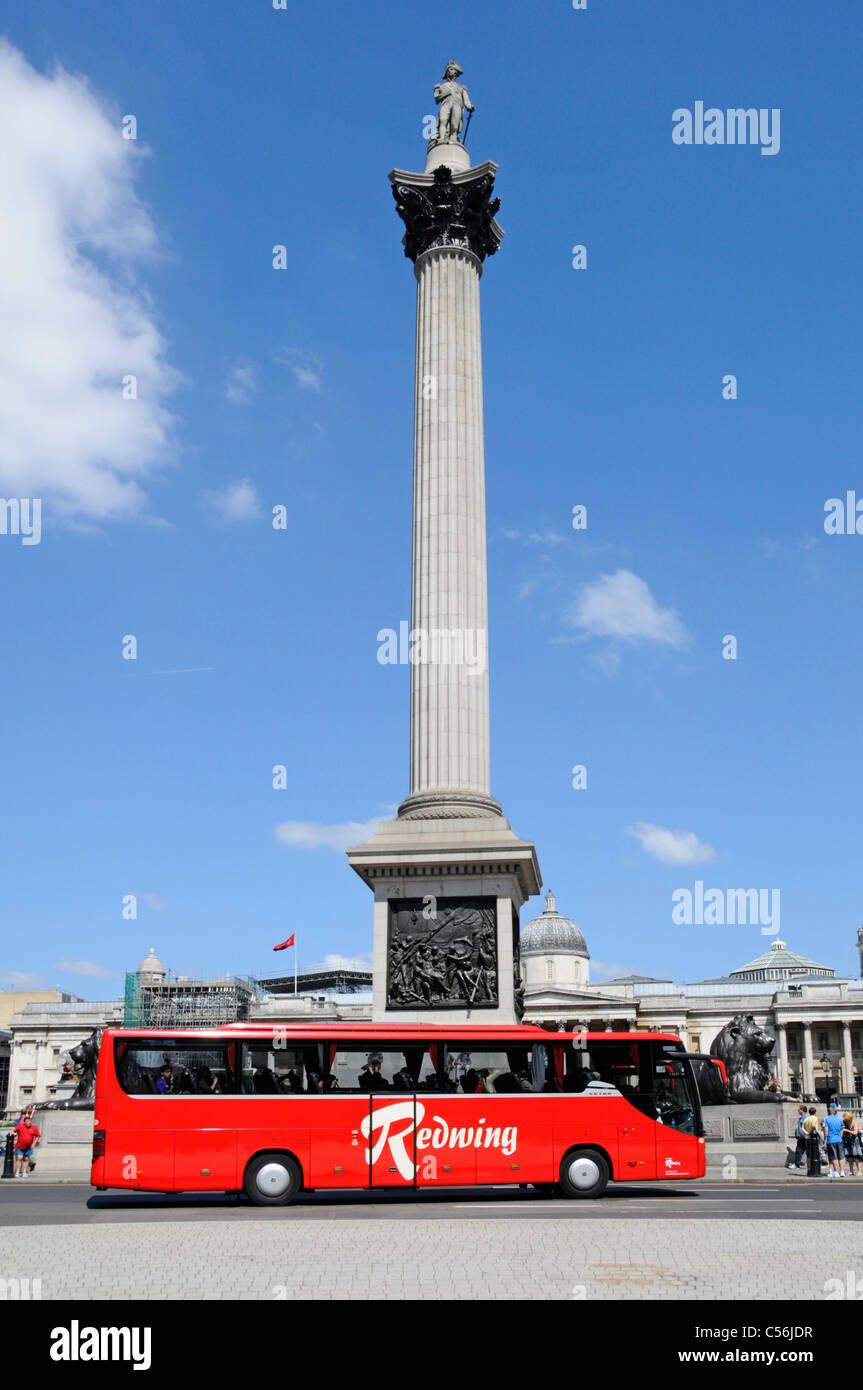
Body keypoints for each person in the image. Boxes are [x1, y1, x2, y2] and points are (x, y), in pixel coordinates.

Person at [14, 1110, 41, 1177]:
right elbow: (14, 1130)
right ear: (24, 1122)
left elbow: (38, 1136)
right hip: (20, 1146)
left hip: (28, 1147)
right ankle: (17, 1172)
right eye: (27, 1121)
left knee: (26, 1159)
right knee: (19, 1158)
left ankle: (24, 1172)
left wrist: (34, 1143)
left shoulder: (33, 1128)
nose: (28, 1122)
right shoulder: (20, 1126)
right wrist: (13, 1134)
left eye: (29, 1121)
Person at [822, 1103, 846, 1177]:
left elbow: (826, 1131)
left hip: (831, 1140)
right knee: (841, 1156)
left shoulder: (827, 1119)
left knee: (834, 1156)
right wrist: (840, 1136)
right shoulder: (840, 1119)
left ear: (828, 1112)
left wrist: (825, 1139)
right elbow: (842, 1129)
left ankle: (836, 1172)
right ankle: (842, 1171)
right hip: (839, 1140)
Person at [841, 1111, 862, 1177]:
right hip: (847, 1142)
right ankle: (851, 1171)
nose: (846, 1121)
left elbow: (855, 1133)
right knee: (849, 1157)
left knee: (856, 1157)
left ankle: (860, 1171)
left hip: (854, 1143)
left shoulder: (854, 1122)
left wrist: (846, 1130)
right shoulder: (844, 1122)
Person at [788, 1104, 808, 1170]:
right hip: (801, 1137)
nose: (798, 1111)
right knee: (799, 1151)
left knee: (800, 1150)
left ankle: (797, 1164)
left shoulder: (806, 1117)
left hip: (804, 1137)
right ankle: (797, 1164)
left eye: (798, 1109)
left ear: (802, 1110)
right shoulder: (802, 1117)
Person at [803, 1107, 821, 1176]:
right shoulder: (814, 1118)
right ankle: (814, 1169)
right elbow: (813, 1125)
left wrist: (807, 1133)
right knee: (815, 1154)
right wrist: (813, 1131)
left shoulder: (806, 1119)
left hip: (807, 1138)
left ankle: (809, 1169)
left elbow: (802, 1128)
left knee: (808, 1155)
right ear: (815, 1112)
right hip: (813, 1138)